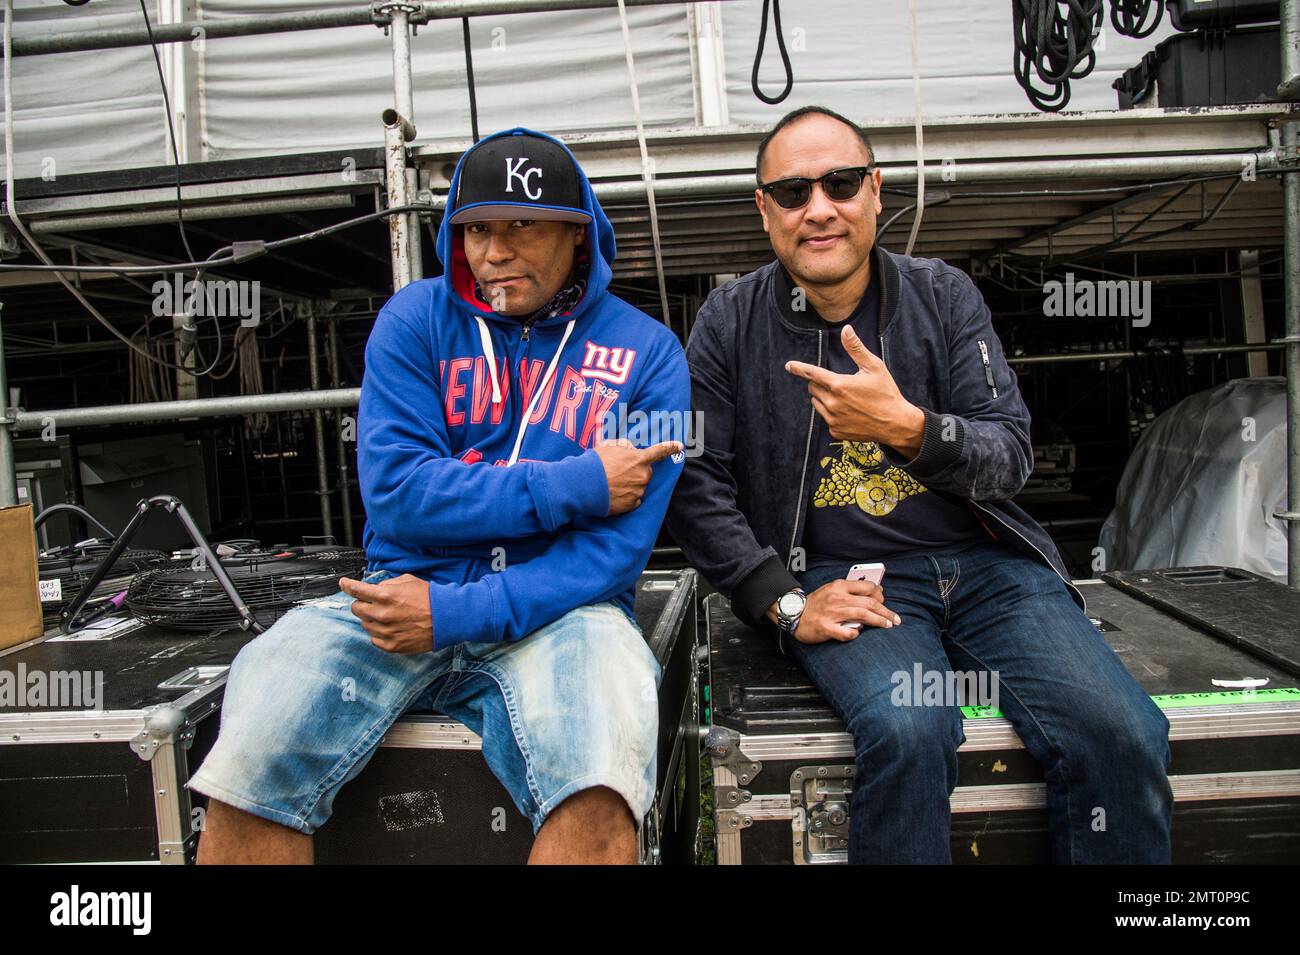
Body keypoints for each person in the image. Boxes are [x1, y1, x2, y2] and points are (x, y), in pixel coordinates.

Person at [665, 105, 1172, 864]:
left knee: (1124, 731)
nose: (820, 208)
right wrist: (785, 599)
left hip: (990, 571)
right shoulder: (728, 321)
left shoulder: (944, 296)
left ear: (875, 191)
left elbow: (1010, 453)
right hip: (845, 580)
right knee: (910, 729)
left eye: (839, 183)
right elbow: (696, 484)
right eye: (795, 192)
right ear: (764, 209)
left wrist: (910, 429)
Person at [189, 127, 690, 864]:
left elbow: (613, 554)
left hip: (566, 615)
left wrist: (458, 611)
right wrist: (579, 482)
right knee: (251, 756)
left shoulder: (651, 353)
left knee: (600, 783)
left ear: (579, 233)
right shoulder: (414, 320)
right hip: (399, 597)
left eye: (523, 224)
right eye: (477, 228)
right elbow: (399, 493)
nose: (493, 250)